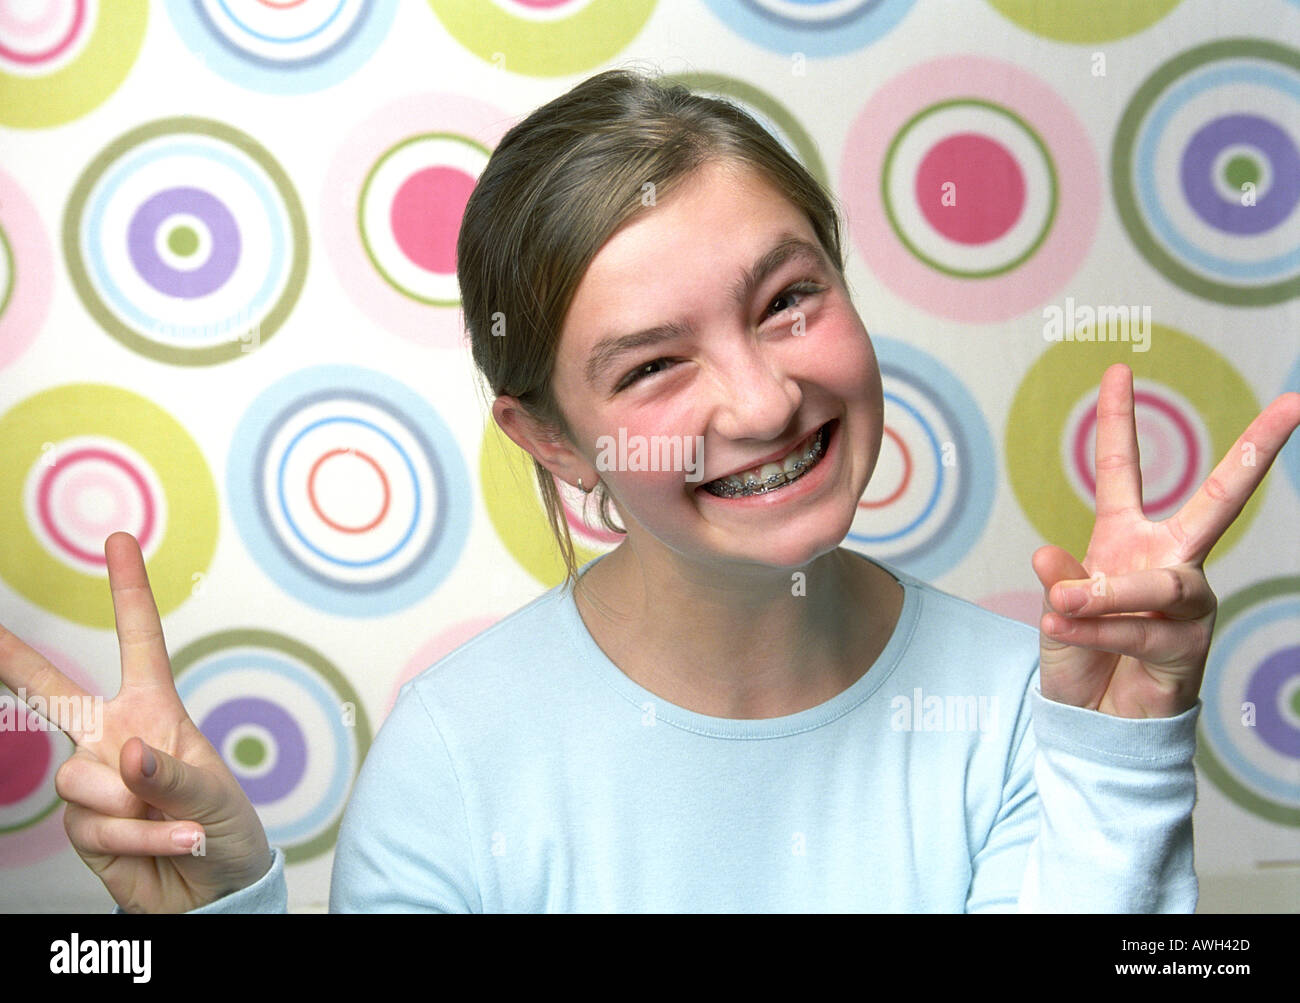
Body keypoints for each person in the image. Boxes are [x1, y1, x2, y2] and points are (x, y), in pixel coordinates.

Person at [2, 69, 1297, 913]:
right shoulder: (458, 757)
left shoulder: (1037, 703)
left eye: (789, 300)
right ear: (553, 440)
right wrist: (224, 910)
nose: (762, 399)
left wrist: (1118, 755)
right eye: (656, 363)